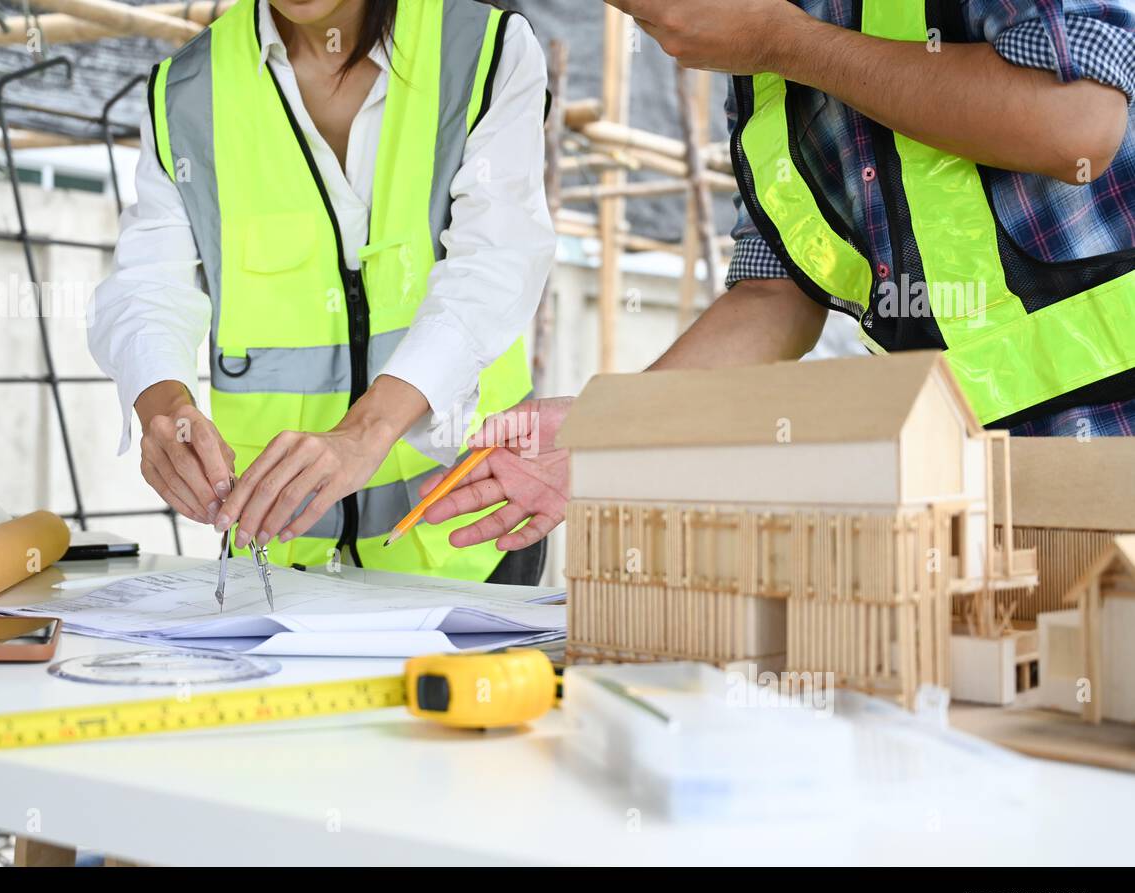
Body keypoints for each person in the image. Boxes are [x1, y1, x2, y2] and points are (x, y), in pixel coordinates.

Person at [423, 0, 1135, 551]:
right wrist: (606, 432)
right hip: (959, 486)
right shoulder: (759, 42)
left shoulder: (775, 35)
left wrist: (789, 44)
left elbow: (1078, 120)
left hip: (1113, 447)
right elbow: (776, 292)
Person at [89, 0, 555, 584]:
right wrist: (164, 408)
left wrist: (365, 433)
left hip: (470, 541)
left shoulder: (484, 50)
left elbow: (496, 264)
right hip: (280, 571)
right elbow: (148, 284)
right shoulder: (186, 91)